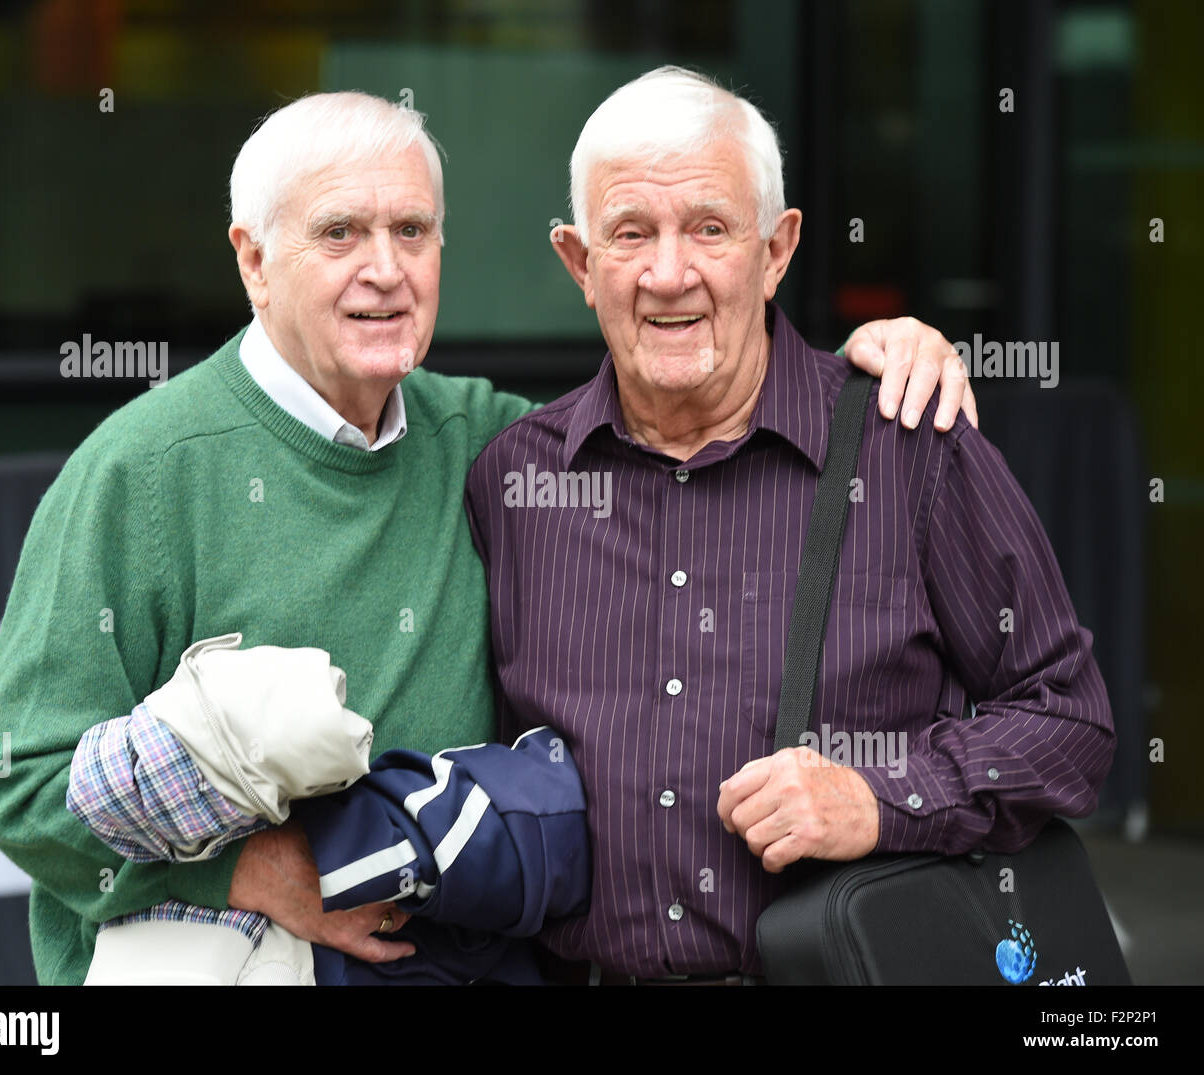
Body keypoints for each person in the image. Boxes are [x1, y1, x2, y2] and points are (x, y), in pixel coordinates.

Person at [0, 88, 976, 986]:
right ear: (252, 259)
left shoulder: (493, 444)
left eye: (412, 230)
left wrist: (864, 369)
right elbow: (19, 784)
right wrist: (257, 871)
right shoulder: (140, 470)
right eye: (340, 233)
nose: (385, 269)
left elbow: (679, 396)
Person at [463, 66, 1115, 983]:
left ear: (777, 250)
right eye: (631, 233)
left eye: (710, 228)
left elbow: (1070, 720)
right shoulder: (516, 481)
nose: (669, 273)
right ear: (579, 263)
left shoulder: (910, 445)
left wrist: (879, 797)